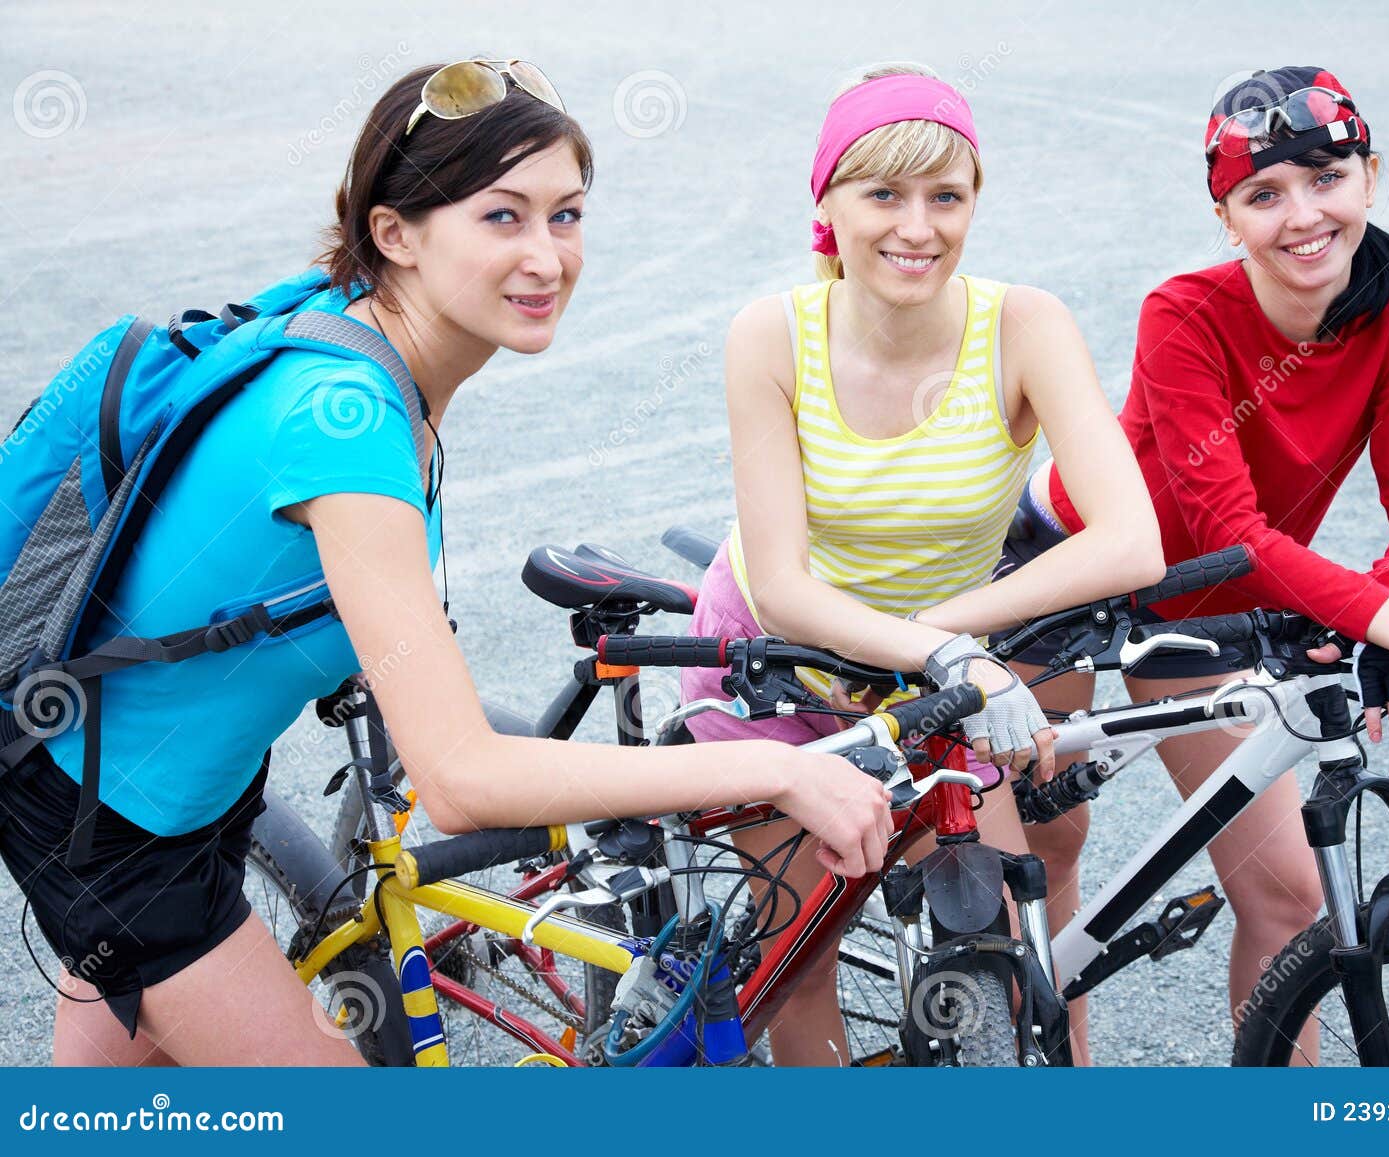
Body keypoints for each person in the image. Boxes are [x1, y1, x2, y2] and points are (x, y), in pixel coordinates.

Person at [0, 60, 893, 1067]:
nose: (547, 256)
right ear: (395, 234)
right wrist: (780, 762)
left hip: (184, 782)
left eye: (566, 215)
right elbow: (461, 778)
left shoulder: (356, 323)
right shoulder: (341, 422)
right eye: (501, 217)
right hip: (103, 820)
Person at [996, 66, 1389, 1063]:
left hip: (1213, 604)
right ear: (1226, 217)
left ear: (1370, 177)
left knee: (1289, 896)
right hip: (1063, 573)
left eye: (1325, 177)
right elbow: (1223, 517)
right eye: (1262, 194)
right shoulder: (1183, 311)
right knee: (1045, 846)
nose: (1301, 216)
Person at [680, 63, 1165, 1065]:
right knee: (799, 960)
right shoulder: (768, 336)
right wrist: (948, 649)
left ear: (975, 203)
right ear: (828, 204)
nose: (917, 227)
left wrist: (943, 639)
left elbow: (1131, 540)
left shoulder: (1023, 325)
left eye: (946, 196)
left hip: (937, 682)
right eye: (883, 194)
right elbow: (781, 584)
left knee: (998, 934)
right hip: (778, 670)